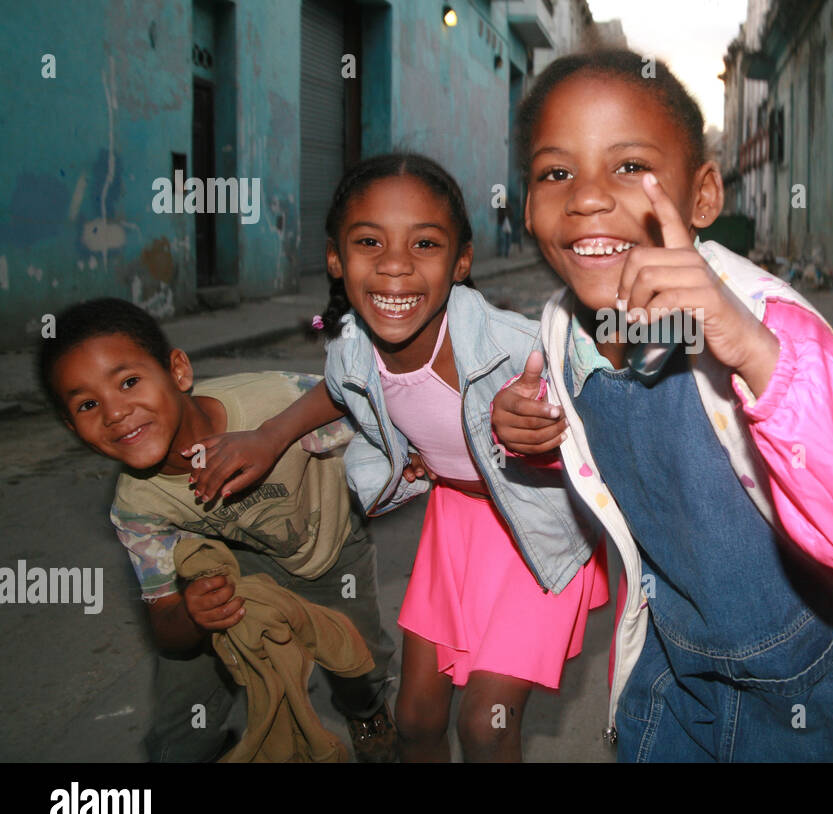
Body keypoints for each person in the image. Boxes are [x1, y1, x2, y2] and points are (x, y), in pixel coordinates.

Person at [491, 49, 833, 761]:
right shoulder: (561, 326)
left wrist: (756, 353)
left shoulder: (765, 322)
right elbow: (606, 444)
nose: (587, 197)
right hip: (671, 665)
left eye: (629, 165)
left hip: (805, 689)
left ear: (702, 197)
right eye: (555, 172)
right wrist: (533, 435)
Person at [190, 153, 608, 762]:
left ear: (461, 261)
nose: (394, 265)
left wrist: (547, 429)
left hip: (537, 523)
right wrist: (269, 436)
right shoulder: (352, 346)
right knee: (413, 721)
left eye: (425, 244)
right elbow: (337, 391)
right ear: (336, 258)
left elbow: (605, 405)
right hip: (454, 527)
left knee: (486, 727)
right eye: (368, 241)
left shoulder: (519, 348)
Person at [39, 298, 397, 762]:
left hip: (330, 547)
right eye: (89, 404)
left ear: (178, 372)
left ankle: (366, 712)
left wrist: (276, 435)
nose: (115, 412)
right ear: (73, 428)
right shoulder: (137, 506)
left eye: (129, 382)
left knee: (360, 663)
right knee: (182, 714)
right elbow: (166, 625)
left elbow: (375, 404)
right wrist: (193, 614)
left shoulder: (273, 402)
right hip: (240, 559)